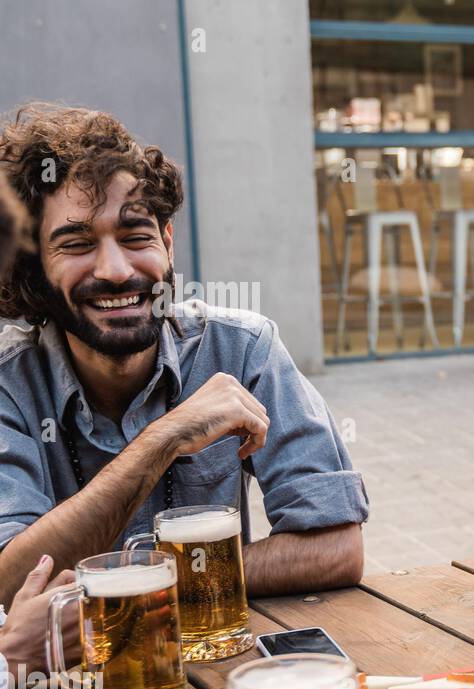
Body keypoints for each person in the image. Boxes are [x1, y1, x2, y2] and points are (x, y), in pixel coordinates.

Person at [0, 104, 367, 608]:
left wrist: (158, 586)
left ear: (167, 244)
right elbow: (8, 582)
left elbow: (336, 547)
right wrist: (164, 440)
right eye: (77, 243)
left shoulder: (241, 349)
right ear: (34, 268)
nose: (114, 269)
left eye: (136, 237)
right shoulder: (10, 386)